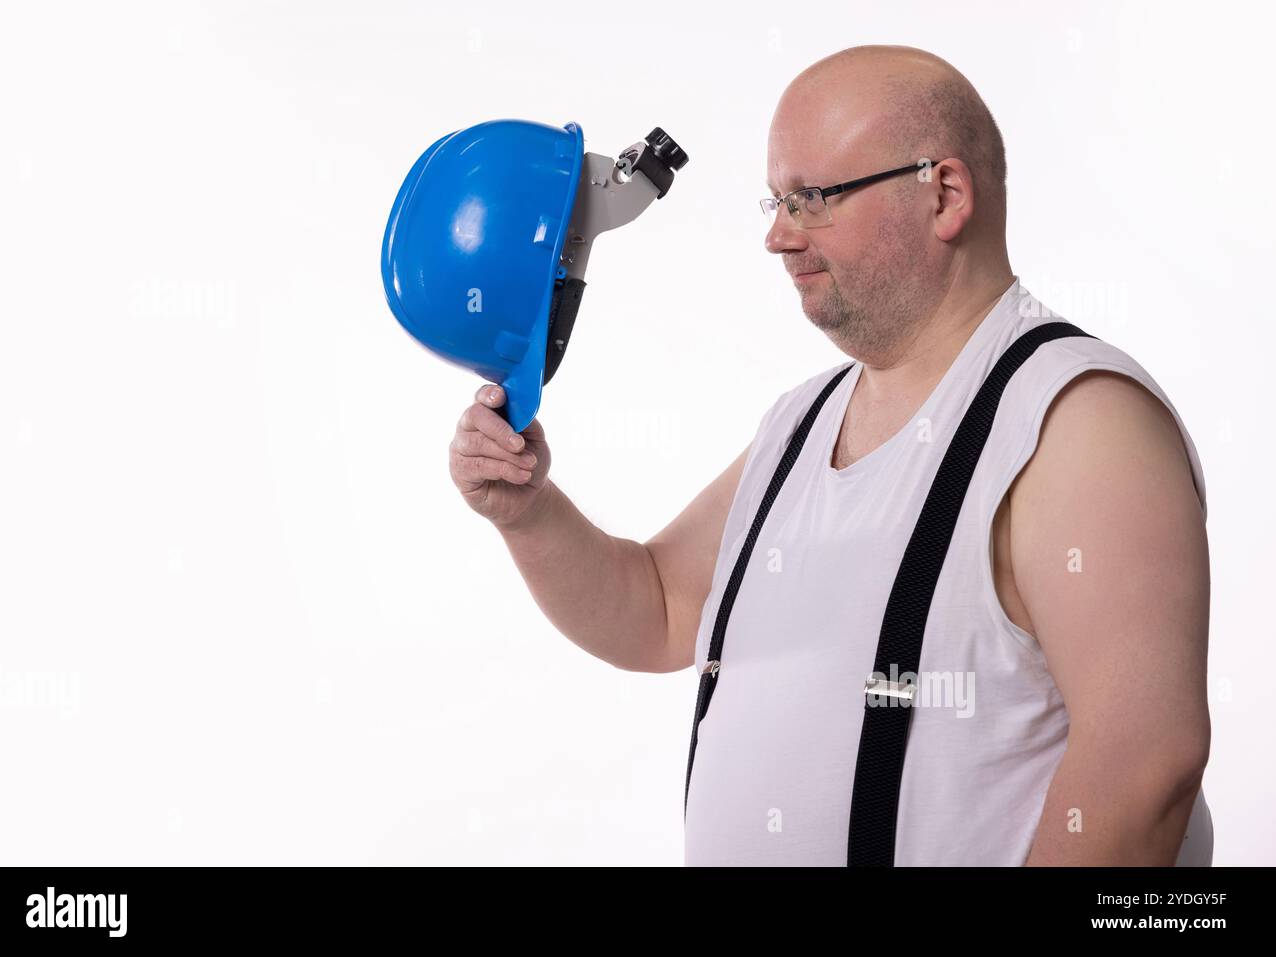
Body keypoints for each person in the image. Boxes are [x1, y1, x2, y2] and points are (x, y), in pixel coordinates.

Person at [446, 45, 1213, 866]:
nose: (778, 236)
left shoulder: (1077, 421)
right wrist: (527, 514)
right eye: (776, 201)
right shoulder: (801, 422)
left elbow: (1145, 770)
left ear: (945, 194)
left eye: (811, 199)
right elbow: (660, 608)